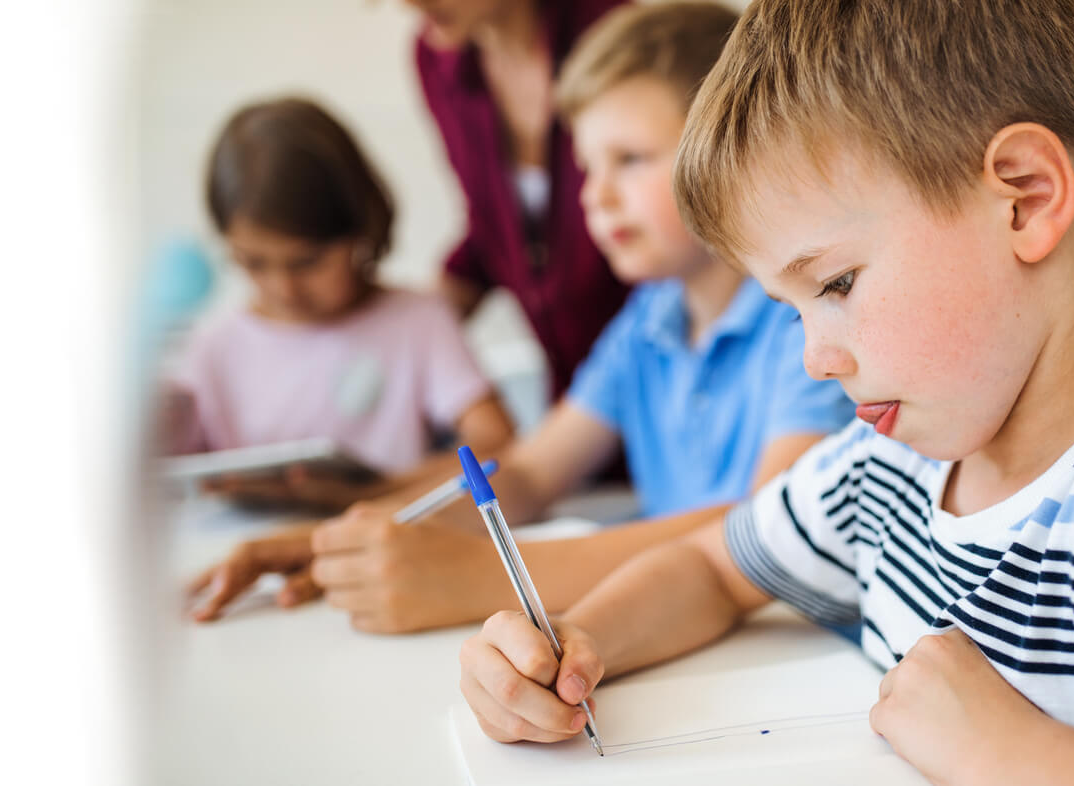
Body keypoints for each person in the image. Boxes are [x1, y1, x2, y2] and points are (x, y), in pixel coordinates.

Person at [456, 1, 1074, 784]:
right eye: (790, 310)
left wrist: (1011, 754)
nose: (817, 358)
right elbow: (711, 569)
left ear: (1022, 198)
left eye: (838, 285)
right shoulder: (886, 465)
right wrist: (570, 646)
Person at [190, 3, 856, 637]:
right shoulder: (646, 322)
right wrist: (343, 543)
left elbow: (763, 528)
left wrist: (479, 578)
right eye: (586, 166)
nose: (594, 195)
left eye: (629, 160)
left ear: (727, 153)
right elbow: (531, 474)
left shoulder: (803, 323)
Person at [166, 97, 514, 513]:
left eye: (307, 262)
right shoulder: (211, 348)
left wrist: (376, 491)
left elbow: (496, 441)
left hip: (380, 543)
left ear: (360, 229)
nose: (283, 288)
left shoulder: (417, 322)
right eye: (253, 263)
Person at [407, 0, 630, 398]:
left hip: (656, 367)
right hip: (573, 389)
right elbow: (494, 227)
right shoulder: (437, 61)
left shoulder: (619, 39)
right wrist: (403, 326)